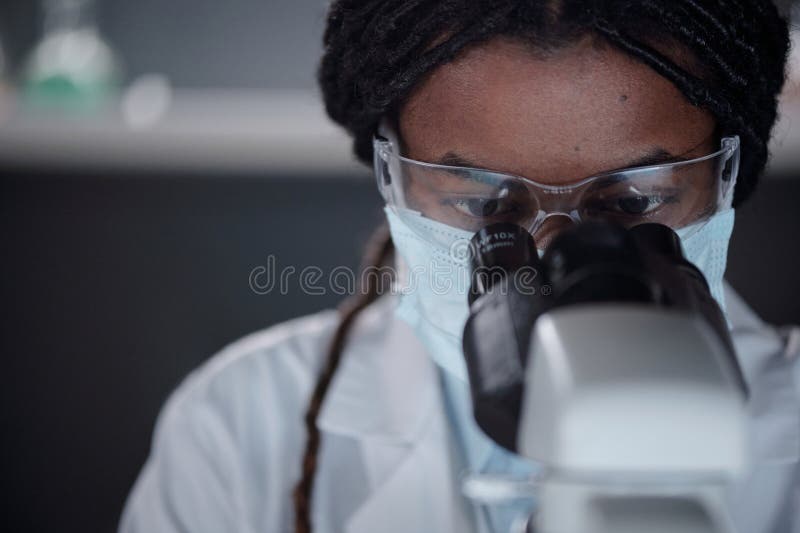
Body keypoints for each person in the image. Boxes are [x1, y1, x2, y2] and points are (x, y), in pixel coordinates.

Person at [120, 1, 800, 532]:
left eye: (633, 198)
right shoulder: (238, 426)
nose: (556, 255)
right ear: (393, 176)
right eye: (484, 202)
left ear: (730, 175)